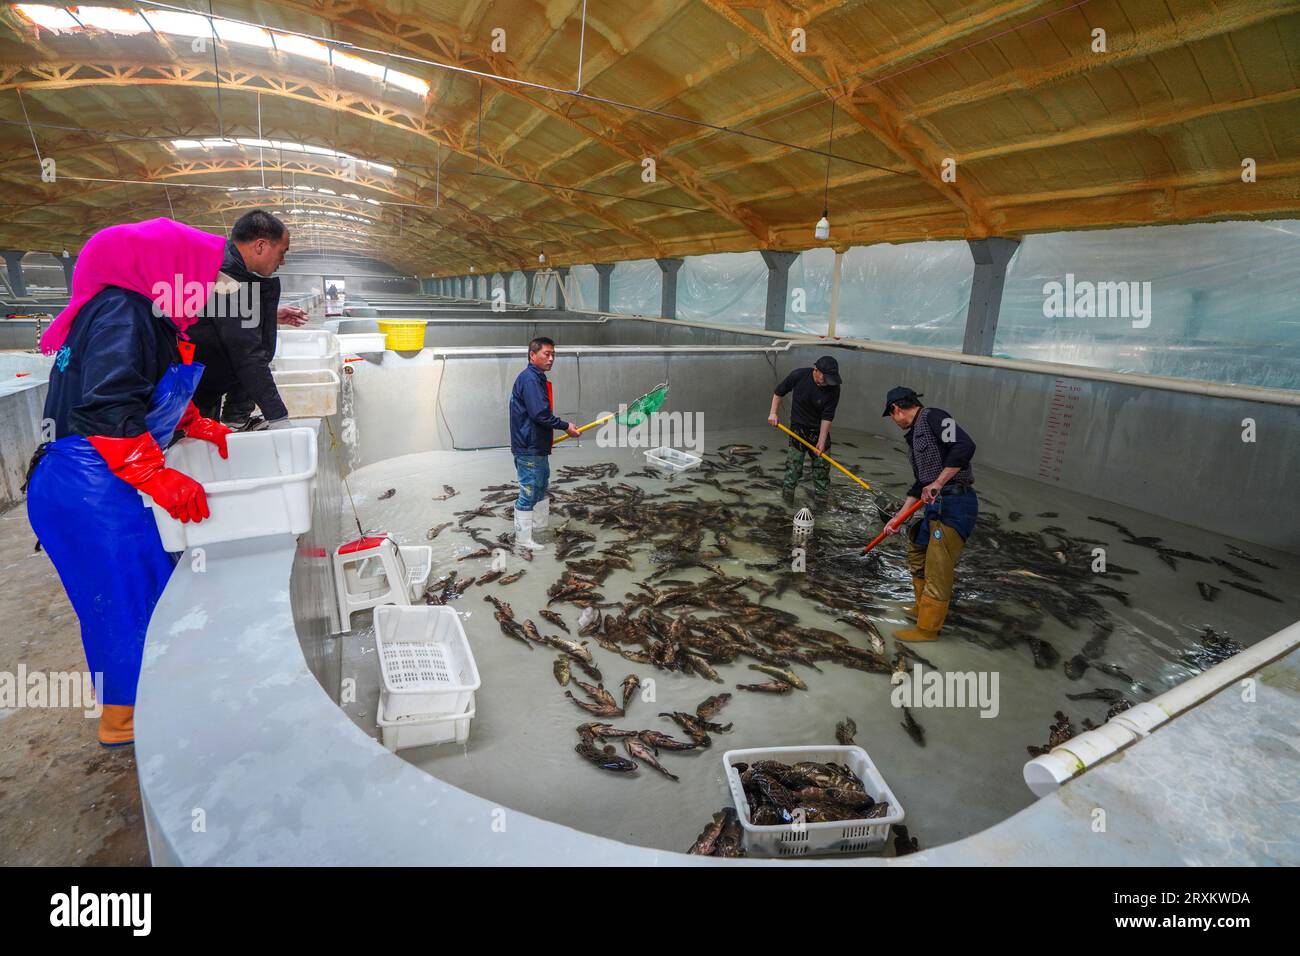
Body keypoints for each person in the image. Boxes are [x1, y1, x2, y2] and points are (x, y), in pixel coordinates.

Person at [25, 218, 230, 746]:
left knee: (151, 593)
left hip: (95, 479)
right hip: (90, 484)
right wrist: (153, 473)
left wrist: (190, 423)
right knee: (129, 602)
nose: (203, 289)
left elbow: (138, 389)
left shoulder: (141, 313)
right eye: (197, 275)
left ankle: (155, 703)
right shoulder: (124, 310)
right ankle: (132, 724)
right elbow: (107, 404)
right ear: (165, 269)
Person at [881, 386, 979, 642]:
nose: (894, 420)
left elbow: (965, 446)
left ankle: (928, 629)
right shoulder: (914, 436)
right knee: (917, 550)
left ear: (896, 409)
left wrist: (939, 482)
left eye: (891, 416)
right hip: (934, 507)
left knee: (938, 567)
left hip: (956, 502)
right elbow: (919, 483)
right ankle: (920, 608)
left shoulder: (935, 417)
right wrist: (898, 517)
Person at [189, 210, 301, 429]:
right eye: (282, 252)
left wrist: (270, 314)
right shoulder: (226, 278)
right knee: (193, 450)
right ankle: (236, 418)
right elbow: (248, 355)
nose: (283, 261)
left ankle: (236, 417)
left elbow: (218, 317)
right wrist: (278, 418)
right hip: (188, 393)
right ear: (260, 246)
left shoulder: (224, 265)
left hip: (199, 385)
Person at [509, 337, 579, 551]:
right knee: (529, 491)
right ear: (532, 355)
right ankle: (522, 540)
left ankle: (538, 529)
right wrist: (566, 425)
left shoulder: (536, 378)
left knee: (540, 487)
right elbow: (540, 414)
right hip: (529, 447)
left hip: (537, 446)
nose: (551, 359)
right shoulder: (530, 379)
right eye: (546, 354)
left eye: (553, 355)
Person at [768, 355, 842, 505]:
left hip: (819, 430)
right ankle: (787, 505)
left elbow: (828, 416)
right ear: (816, 370)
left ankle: (821, 507)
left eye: (831, 379)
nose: (828, 382)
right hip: (798, 429)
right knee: (793, 471)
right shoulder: (799, 375)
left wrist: (821, 440)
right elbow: (778, 392)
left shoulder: (834, 388)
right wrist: (773, 413)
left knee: (822, 471)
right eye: (825, 377)